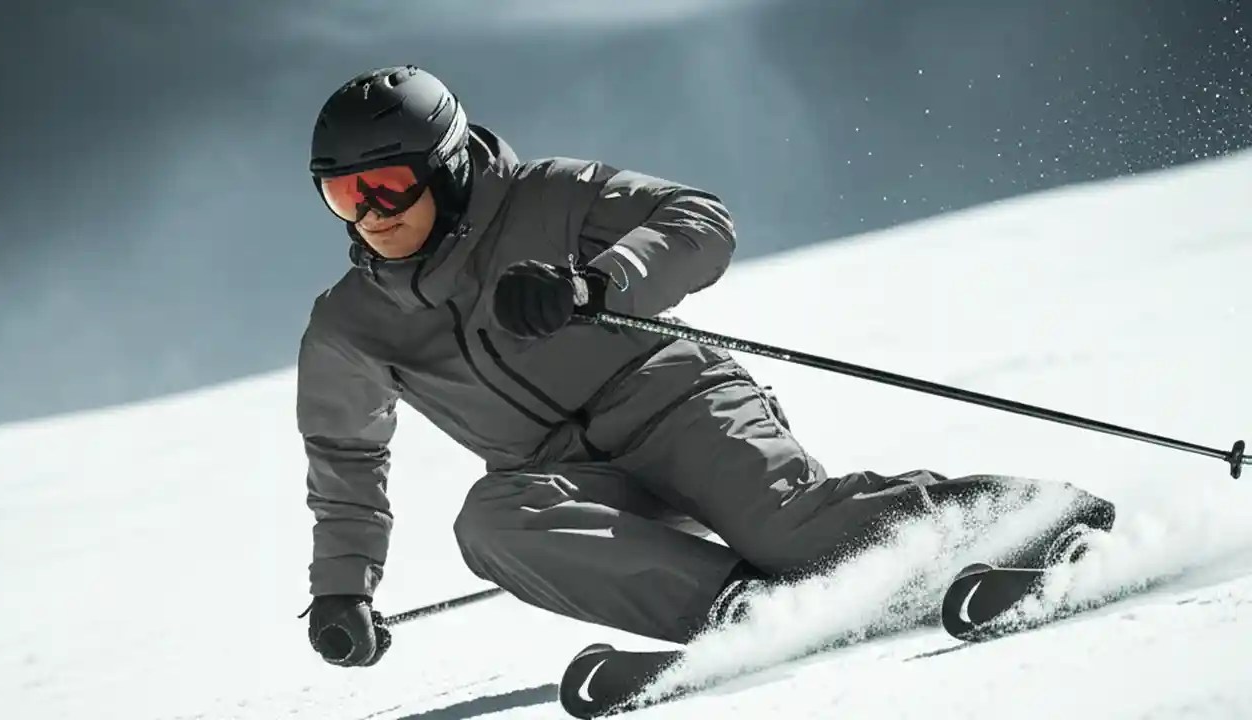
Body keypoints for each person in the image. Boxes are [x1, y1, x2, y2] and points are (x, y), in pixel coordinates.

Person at [298, 65, 1114, 668]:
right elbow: (347, 458)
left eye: (389, 186)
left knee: (793, 532)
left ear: (444, 167)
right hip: (560, 474)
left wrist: (597, 282)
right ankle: (741, 611)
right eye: (344, 195)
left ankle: (1039, 520)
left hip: (677, 405)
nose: (370, 214)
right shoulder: (350, 324)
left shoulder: (544, 196)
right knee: (491, 523)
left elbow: (698, 220)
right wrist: (343, 589)